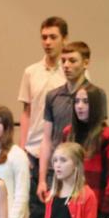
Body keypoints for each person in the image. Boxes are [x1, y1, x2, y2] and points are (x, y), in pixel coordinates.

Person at [35, 41, 98, 218]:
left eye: (72, 60)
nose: (67, 65)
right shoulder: (53, 96)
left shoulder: (95, 94)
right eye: (64, 60)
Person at [18, 16, 69, 195]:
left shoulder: (71, 71)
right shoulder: (31, 72)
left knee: (62, 212)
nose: (47, 42)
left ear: (65, 39)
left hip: (63, 150)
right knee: (36, 213)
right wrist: (22, 149)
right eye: (44, 37)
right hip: (34, 150)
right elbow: (26, 112)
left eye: (53, 37)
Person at [69, 83, 109, 218]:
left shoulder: (106, 136)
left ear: (96, 105)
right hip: (68, 212)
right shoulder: (67, 133)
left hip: (93, 215)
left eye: (85, 102)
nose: (80, 106)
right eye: (77, 101)